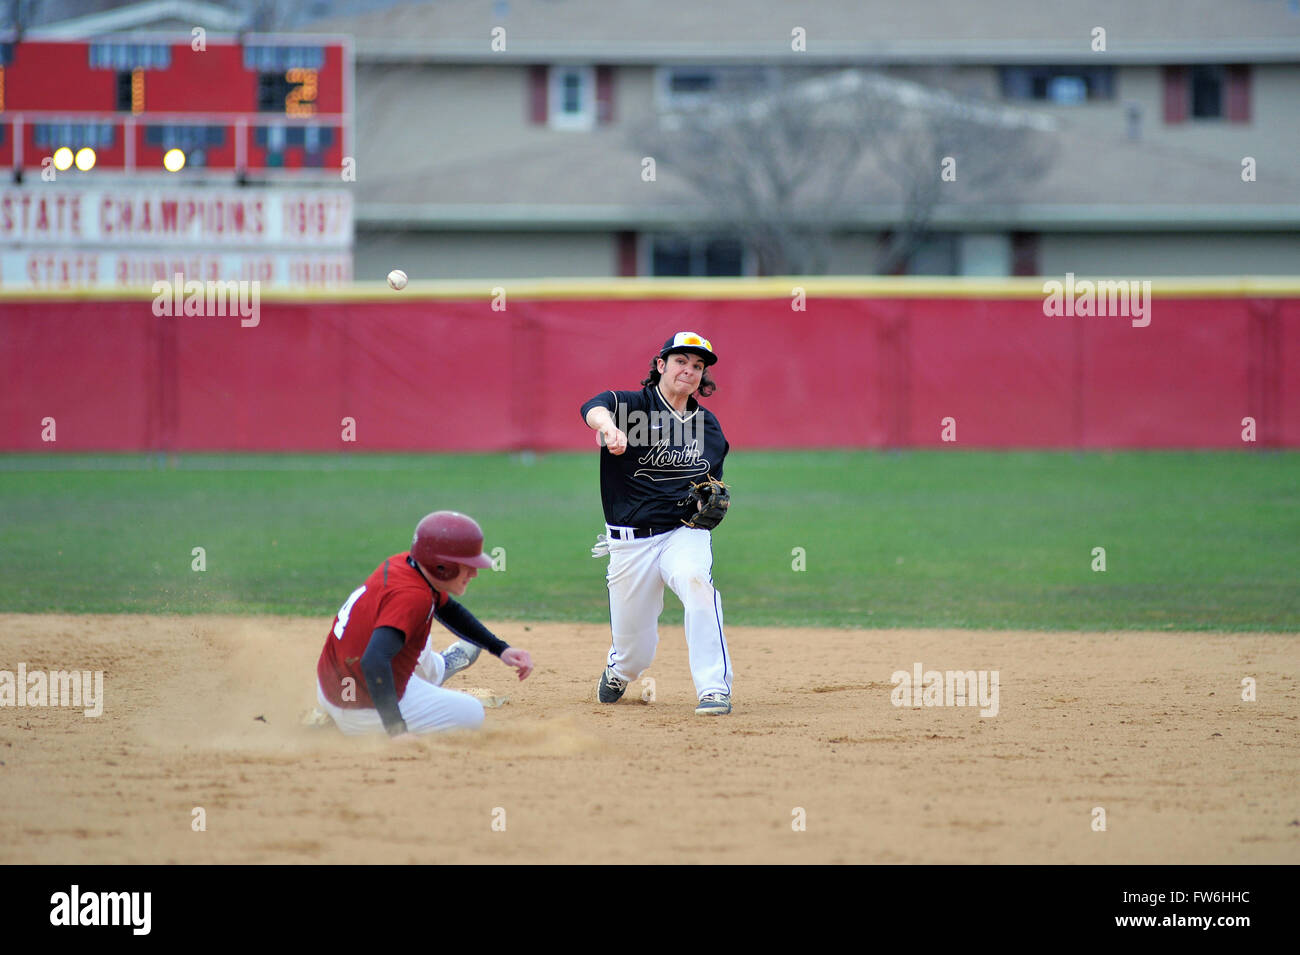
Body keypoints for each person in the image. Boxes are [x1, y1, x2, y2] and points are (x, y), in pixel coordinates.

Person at [580, 331, 734, 715]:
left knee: (698, 588)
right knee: (635, 653)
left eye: (698, 366)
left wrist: (705, 503)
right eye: (681, 361)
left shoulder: (708, 427)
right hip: (629, 544)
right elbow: (592, 406)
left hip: (683, 532)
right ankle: (619, 670)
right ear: (661, 365)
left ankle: (714, 689)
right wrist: (608, 428)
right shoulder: (632, 408)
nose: (690, 370)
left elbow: (708, 483)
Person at [314, 510, 533, 736]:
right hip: (362, 710)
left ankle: (437, 669)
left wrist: (501, 649)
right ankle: (434, 674)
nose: (475, 573)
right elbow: (374, 661)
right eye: (468, 565)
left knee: (414, 630)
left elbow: (449, 610)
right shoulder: (413, 597)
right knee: (472, 712)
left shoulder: (405, 565)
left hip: (333, 686)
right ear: (442, 566)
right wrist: (396, 730)